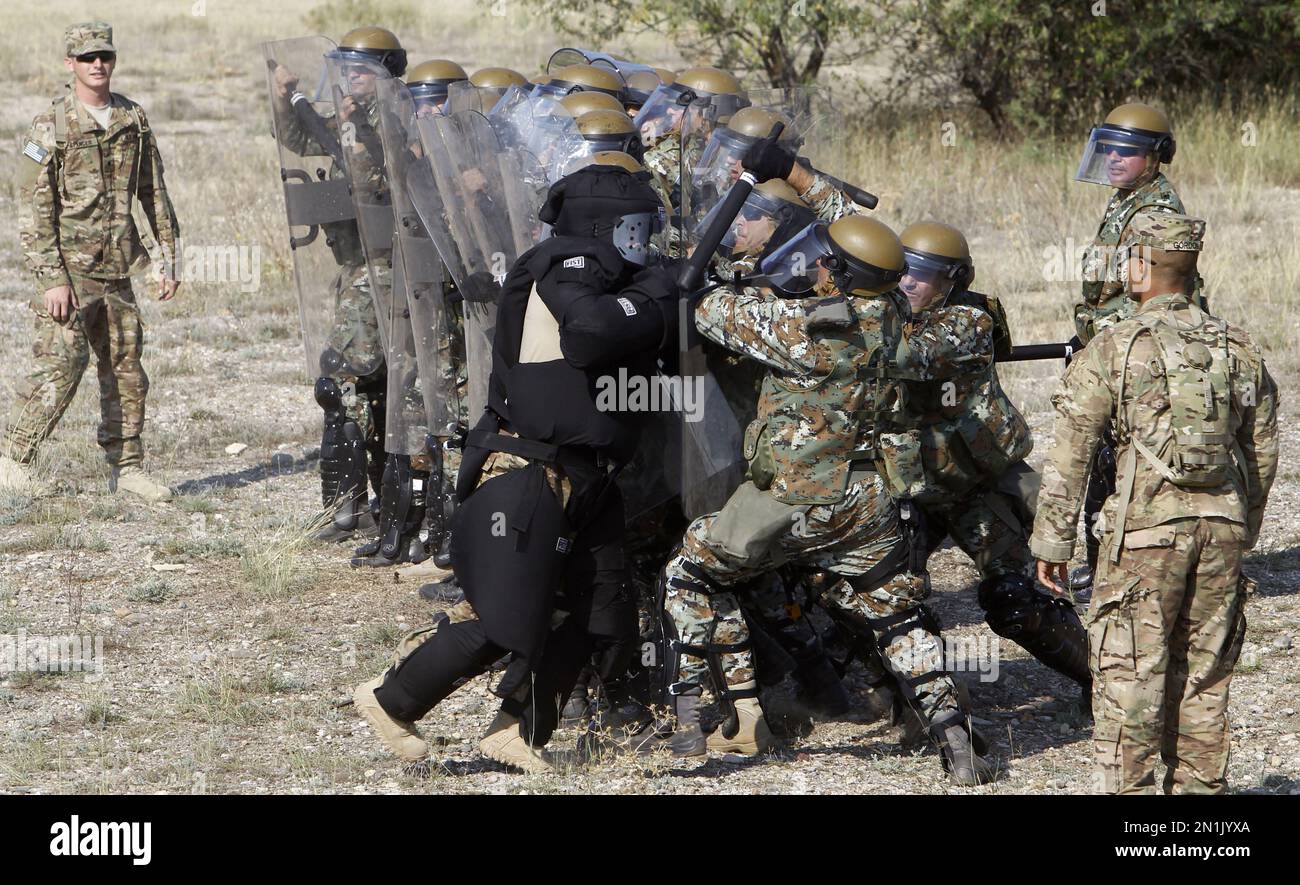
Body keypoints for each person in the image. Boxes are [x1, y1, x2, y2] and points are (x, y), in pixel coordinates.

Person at [352, 158, 679, 772]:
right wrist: (660, 297)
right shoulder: (564, 264)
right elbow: (588, 331)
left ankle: (519, 730)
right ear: (606, 227)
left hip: (590, 476)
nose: (646, 240)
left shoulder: (616, 277)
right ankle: (391, 699)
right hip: (530, 468)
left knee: (598, 614)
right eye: (637, 227)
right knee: (503, 620)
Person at [660, 211, 998, 783]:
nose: (813, 265)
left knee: (693, 574)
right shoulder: (894, 314)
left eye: (824, 261)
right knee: (897, 620)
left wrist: (713, 278)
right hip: (866, 500)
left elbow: (709, 310)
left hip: (792, 497)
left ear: (840, 273)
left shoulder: (804, 326)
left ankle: (695, 713)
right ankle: (956, 739)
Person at [1031, 212, 1278, 794]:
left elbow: (1070, 454)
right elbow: (1261, 452)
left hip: (1143, 534)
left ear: (1142, 269)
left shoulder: (1113, 346)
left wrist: (1052, 543)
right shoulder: (1239, 346)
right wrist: (1246, 529)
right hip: (1221, 528)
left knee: (1128, 678)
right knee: (1205, 674)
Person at [1, 21, 180, 502]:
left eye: (104, 56)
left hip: (118, 269)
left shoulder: (133, 119)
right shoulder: (49, 125)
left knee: (125, 367)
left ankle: (129, 468)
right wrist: (51, 280)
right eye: (86, 58)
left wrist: (166, 255)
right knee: (60, 365)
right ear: (70, 64)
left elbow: (154, 191)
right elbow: (30, 208)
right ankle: (13, 461)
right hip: (70, 272)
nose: (97, 64)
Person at [1071, 102, 1197, 593]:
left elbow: (1164, 296)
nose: (1115, 160)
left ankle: (1124, 565)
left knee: (1127, 463)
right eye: (1109, 150)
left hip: (1138, 355)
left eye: (1128, 151)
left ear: (1157, 155)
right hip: (1112, 349)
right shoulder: (1126, 200)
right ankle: (1102, 561)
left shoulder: (1156, 212)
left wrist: (1104, 339)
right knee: (1104, 458)